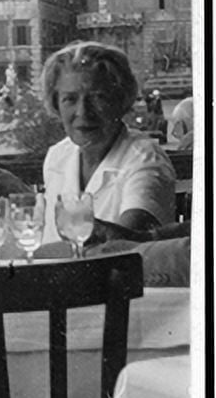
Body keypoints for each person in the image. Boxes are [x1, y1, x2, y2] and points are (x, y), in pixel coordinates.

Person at [39, 41, 176, 245]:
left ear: (121, 101)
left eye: (98, 97)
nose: (83, 112)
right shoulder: (58, 156)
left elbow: (128, 243)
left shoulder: (145, 160)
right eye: (70, 99)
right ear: (56, 105)